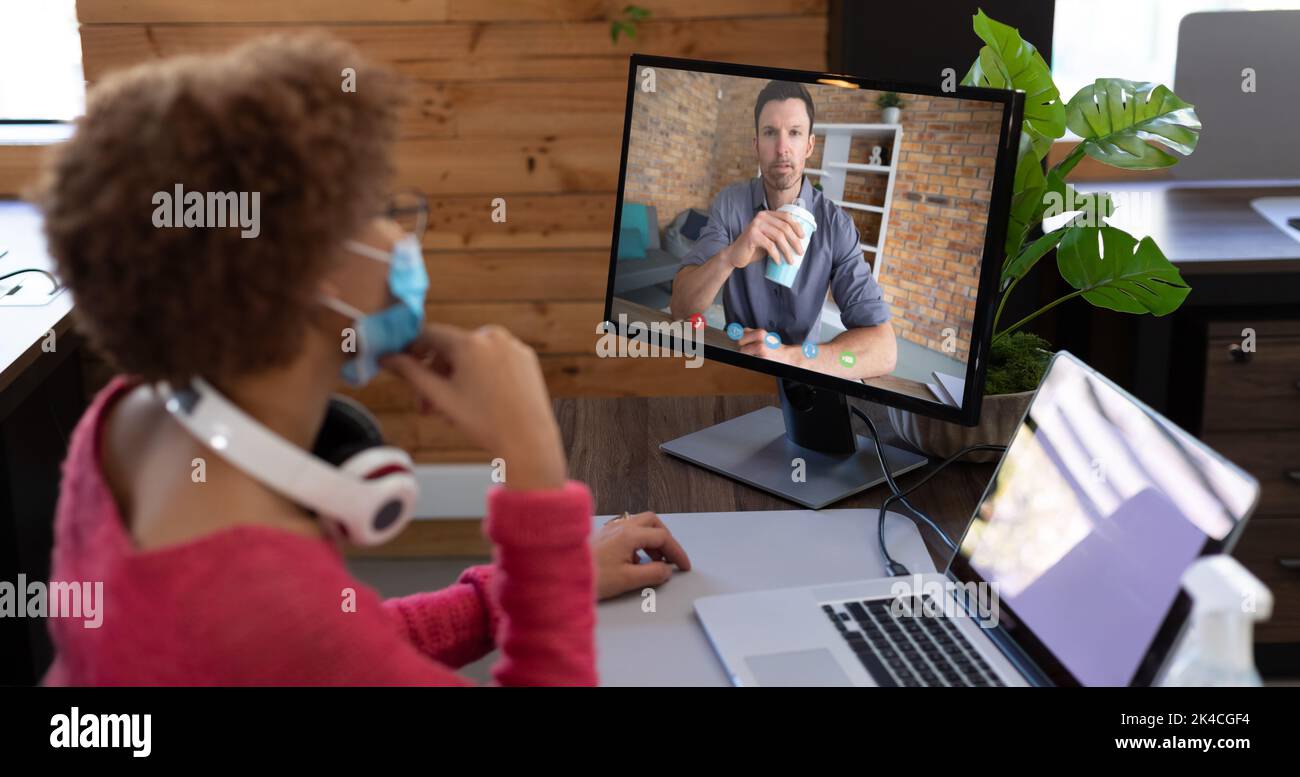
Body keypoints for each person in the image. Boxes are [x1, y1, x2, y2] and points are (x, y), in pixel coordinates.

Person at [35, 33, 688, 685]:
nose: (398, 235)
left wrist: (537, 585)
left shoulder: (125, 418)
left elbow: (329, 646)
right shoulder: (260, 613)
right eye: (376, 210)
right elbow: (296, 641)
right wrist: (537, 479)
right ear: (313, 274)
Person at [669, 80, 897, 379]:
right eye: (769, 133)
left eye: (794, 133)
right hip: (736, 362)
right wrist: (729, 257)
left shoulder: (836, 225)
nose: (781, 148)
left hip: (803, 372)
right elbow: (681, 309)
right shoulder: (730, 204)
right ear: (756, 145)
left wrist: (792, 358)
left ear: (809, 145)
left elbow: (884, 349)